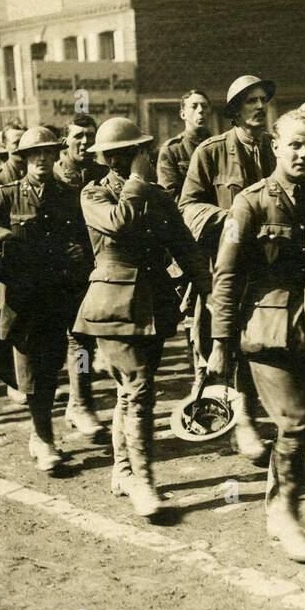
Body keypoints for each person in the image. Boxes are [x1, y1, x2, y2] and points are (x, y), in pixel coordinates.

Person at [208, 109, 305, 563]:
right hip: (267, 328)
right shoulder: (251, 202)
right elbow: (227, 276)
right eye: (294, 144)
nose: (303, 153)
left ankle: (279, 508)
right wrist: (220, 345)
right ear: (275, 147)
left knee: (304, 424)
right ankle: (288, 514)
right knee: (295, 421)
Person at [75, 118, 212, 517]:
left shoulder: (155, 195)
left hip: (152, 306)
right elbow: (120, 222)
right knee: (139, 388)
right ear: (118, 158)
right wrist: (137, 181)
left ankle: (122, 470)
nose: (146, 157)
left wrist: (209, 291)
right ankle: (143, 482)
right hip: (112, 307)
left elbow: (184, 247)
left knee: (130, 391)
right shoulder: (94, 193)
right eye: (139, 152)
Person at [0, 128, 89, 473]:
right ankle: (45, 439)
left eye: (47, 152)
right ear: (24, 159)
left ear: (56, 155)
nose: (42, 159)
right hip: (20, 298)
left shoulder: (68, 195)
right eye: (35, 154)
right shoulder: (6, 196)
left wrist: (78, 253)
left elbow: (82, 239)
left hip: (56, 296)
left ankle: (38, 433)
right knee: (30, 371)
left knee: (50, 368)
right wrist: (1, 247)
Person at [179, 73, 278, 463]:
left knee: (265, 337)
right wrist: (231, 221)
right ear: (235, 111)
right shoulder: (211, 151)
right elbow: (187, 207)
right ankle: (244, 423)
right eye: (251, 101)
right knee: (228, 340)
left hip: (269, 263)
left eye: (262, 100)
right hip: (229, 263)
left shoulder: (276, 148)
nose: (259, 107)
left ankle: (257, 415)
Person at [51, 112, 109, 440]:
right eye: (78, 137)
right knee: (77, 340)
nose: (85, 143)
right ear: (65, 142)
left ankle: (79, 403)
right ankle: (80, 404)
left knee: (84, 340)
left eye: (90, 136)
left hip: (97, 267)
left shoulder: (101, 173)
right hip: (62, 273)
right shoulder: (55, 176)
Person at [156, 90, 212, 201]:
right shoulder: (171, 150)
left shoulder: (218, 146)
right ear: (183, 114)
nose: (200, 110)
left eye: (204, 106)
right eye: (194, 107)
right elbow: (170, 196)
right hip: (187, 213)